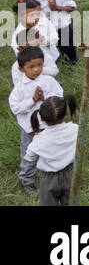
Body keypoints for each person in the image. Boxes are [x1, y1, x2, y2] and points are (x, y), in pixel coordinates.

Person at [10, 46, 63, 194]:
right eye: (31, 67)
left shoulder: (49, 81)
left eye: (39, 65)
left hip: (48, 126)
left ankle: (49, 178)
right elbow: (15, 108)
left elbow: (59, 96)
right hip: (30, 129)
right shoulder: (19, 88)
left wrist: (44, 98)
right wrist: (33, 100)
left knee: (49, 152)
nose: (36, 70)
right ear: (21, 69)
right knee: (29, 155)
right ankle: (27, 180)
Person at [23, 94, 77, 207]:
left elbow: (29, 157)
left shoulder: (39, 139)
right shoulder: (75, 129)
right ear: (66, 113)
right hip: (70, 173)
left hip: (48, 179)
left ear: (41, 117)